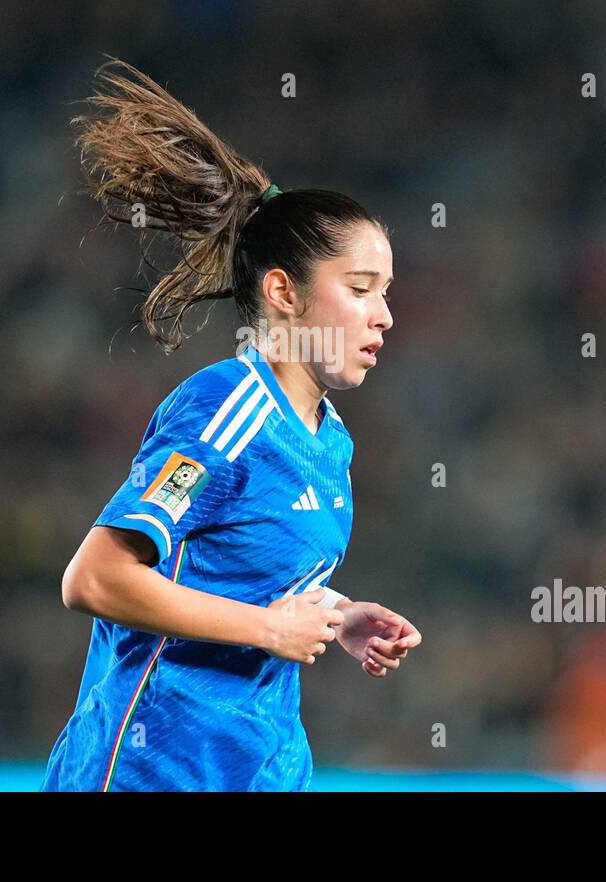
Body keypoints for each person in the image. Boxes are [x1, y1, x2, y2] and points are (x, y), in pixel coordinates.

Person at [41, 57, 420, 792]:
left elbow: (248, 576)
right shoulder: (225, 412)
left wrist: (338, 615)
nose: (385, 315)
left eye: (388, 292)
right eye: (360, 289)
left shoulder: (329, 437)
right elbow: (94, 577)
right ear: (283, 291)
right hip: (153, 771)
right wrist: (271, 632)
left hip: (259, 770)